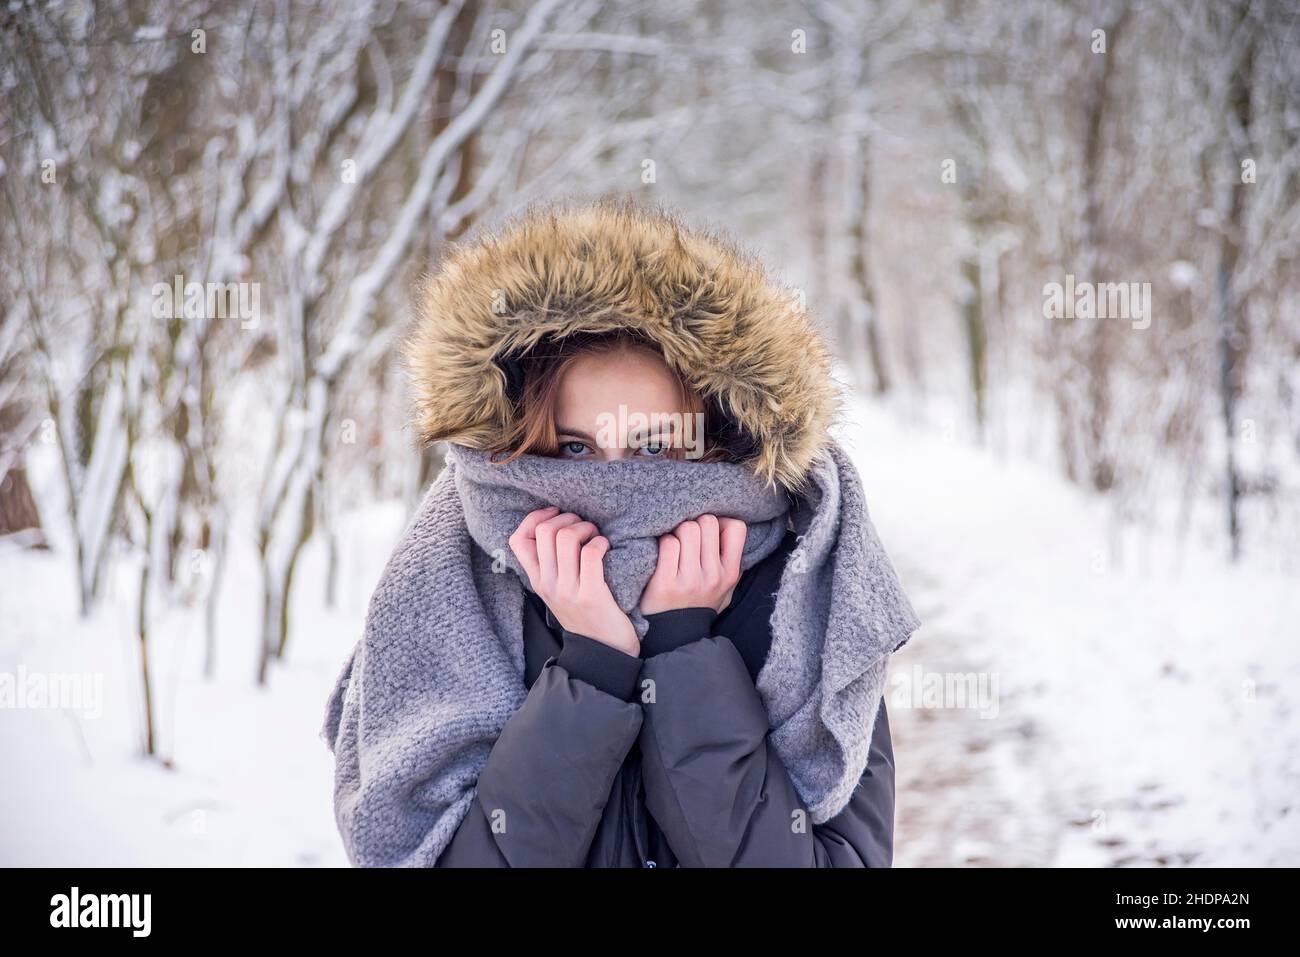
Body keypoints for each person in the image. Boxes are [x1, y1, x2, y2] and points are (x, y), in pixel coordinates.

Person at [322, 197, 918, 867]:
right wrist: (592, 671)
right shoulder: (456, 581)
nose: (614, 485)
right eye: (575, 449)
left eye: (654, 448)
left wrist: (684, 655)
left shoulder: (801, 584)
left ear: (721, 437)